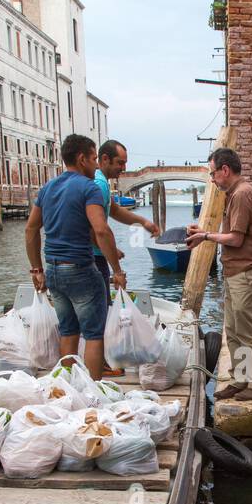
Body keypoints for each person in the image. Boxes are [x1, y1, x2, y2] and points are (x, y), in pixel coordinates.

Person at [25, 134, 127, 380]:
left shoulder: (48, 188)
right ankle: (93, 394)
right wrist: (117, 271)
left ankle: (68, 388)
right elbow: (101, 230)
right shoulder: (88, 187)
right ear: (82, 159)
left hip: (54, 271)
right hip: (81, 269)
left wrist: (37, 270)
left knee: (68, 331)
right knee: (94, 334)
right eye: (93, 159)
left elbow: (30, 229)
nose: (95, 164)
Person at [185, 148, 252, 401]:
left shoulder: (243, 194)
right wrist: (203, 231)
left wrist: (205, 236)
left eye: (213, 173)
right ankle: (241, 379)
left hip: (247, 272)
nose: (212, 179)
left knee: (246, 331)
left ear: (225, 170)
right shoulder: (235, 194)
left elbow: (235, 238)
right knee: (233, 331)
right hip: (237, 272)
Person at [94, 140, 160, 375]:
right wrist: (116, 266)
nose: (123, 168)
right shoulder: (99, 184)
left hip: (88, 254)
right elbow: (98, 228)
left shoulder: (99, 183)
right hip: (94, 259)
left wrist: (142, 221)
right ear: (103, 159)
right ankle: (100, 367)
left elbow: (113, 211)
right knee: (98, 316)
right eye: (120, 163)